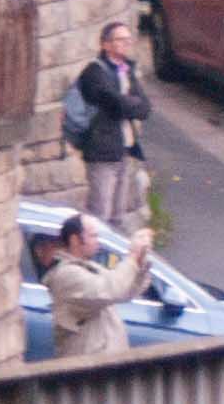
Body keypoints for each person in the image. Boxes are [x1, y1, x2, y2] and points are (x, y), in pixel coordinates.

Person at [67, 23, 150, 232]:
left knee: (117, 218)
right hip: (101, 153)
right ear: (106, 44)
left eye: (128, 39)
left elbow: (145, 108)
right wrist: (131, 103)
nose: (126, 44)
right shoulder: (95, 72)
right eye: (120, 40)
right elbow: (116, 103)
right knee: (99, 216)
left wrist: (130, 104)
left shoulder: (126, 70)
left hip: (123, 151)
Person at [42, 211, 153, 362]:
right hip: (87, 368)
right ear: (75, 240)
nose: (98, 242)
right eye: (93, 236)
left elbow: (124, 290)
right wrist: (132, 257)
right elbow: (110, 290)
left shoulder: (89, 267)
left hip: (106, 364)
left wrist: (140, 261)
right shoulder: (66, 275)